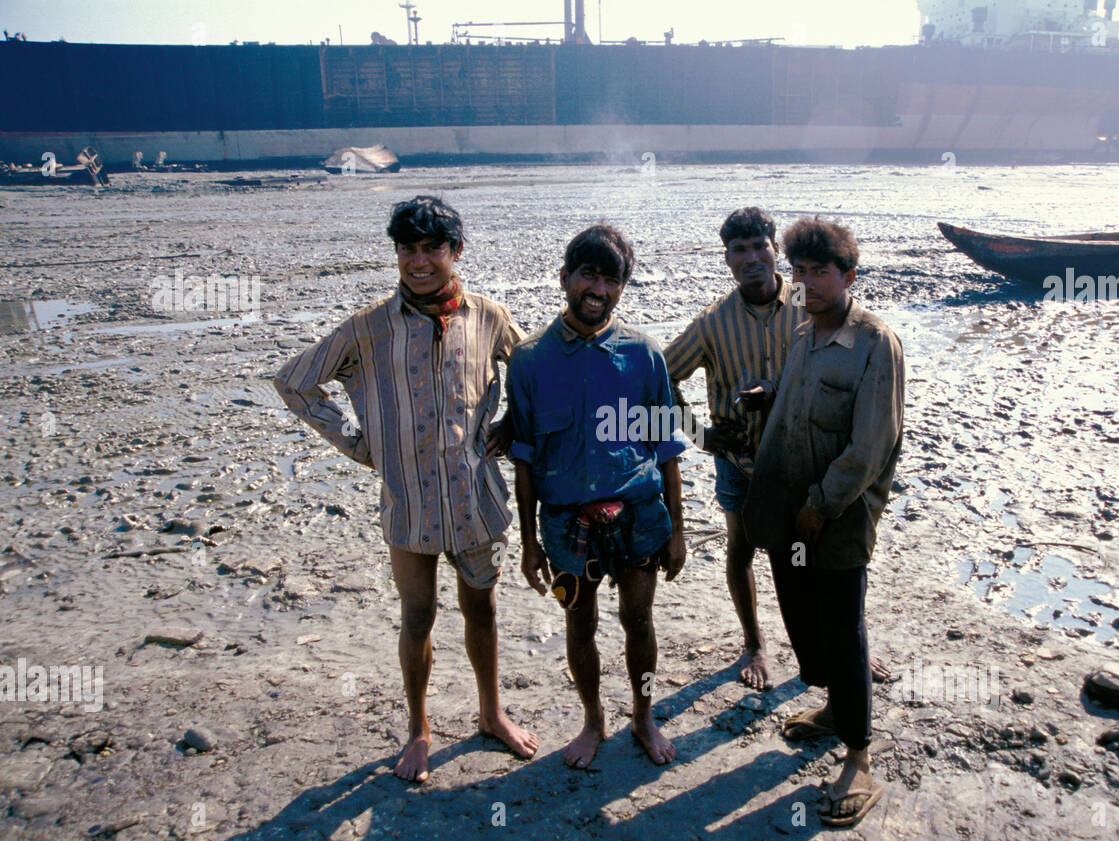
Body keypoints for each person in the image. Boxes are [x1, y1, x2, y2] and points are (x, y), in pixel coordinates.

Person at [274, 195, 539, 782]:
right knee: (417, 615)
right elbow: (294, 383)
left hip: (478, 502)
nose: (419, 261)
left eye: (431, 249)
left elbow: (534, 372)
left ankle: (491, 712)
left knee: (482, 608)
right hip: (408, 507)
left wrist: (514, 423)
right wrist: (360, 444)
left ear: (456, 251)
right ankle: (418, 729)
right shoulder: (368, 329)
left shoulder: (488, 317)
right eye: (407, 249)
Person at [665, 207, 891, 690]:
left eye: (759, 246)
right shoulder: (712, 323)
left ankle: (846, 647)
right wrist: (699, 433)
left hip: (808, 462)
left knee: (821, 557)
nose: (751, 258)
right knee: (743, 549)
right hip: (742, 463)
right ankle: (754, 644)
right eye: (738, 250)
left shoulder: (810, 306)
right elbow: (659, 376)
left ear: (775, 251)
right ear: (726, 259)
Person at [743, 217, 905, 828]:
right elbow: (800, 400)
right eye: (800, 272)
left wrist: (822, 503)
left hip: (837, 517)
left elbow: (870, 445)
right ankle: (837, 707)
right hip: (790, 509)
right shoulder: (805, 334)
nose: (807, 283)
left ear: (849, 276)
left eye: (820, 272)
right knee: (803, 617)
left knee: (842, 628)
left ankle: (859, 757)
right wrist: (769, 395)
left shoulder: (874, 343)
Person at [509, 224, 690, 769]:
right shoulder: (529, 359)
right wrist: (528, 542)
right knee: (578, 621)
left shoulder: (645, 355)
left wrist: (678, 531)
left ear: (621, 290)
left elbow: (667, 451)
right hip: (565, 525)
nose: (598, 288)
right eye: (588, 274)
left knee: (640, 621)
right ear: (565, 278)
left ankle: (643, 715)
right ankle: (593, 721)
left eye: (611, 279)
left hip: (639, 515)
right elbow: (523, 459)